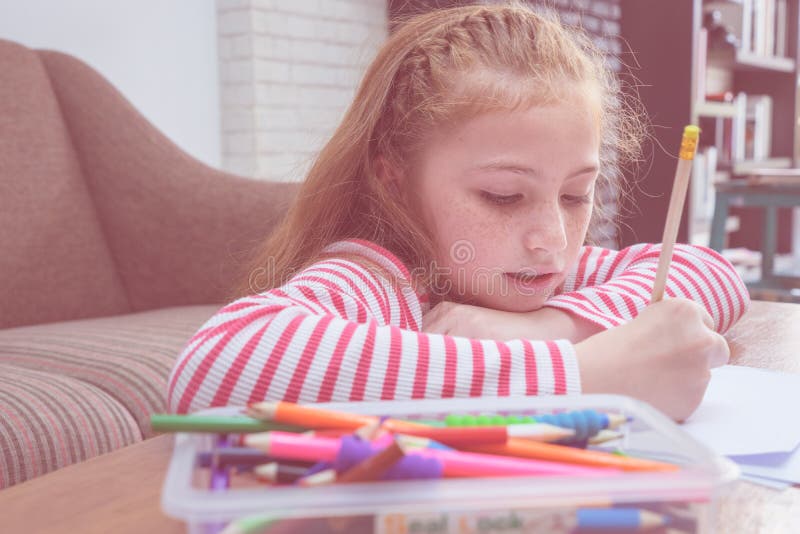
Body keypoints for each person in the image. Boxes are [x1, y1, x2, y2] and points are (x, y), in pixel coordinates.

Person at [167, 3, 749, 421]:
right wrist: (583, 378)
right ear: (394, 179)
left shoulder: (547, 279)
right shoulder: (381, 280)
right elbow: (215, 365)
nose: (551, 237)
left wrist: (549, 329)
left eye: (575, 195)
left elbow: (714, 275)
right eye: (502, 196)